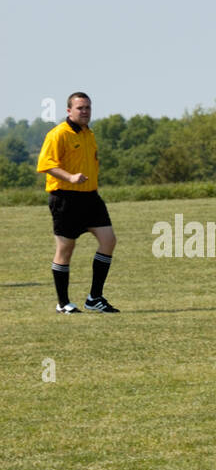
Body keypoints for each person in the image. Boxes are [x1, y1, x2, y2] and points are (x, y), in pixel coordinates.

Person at [37, 92, 118, 313]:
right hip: (65, 197)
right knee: (66, 248)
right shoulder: (58, 134)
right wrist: (70, 177)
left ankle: (94, 297)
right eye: (80, 108)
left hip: (90, 198)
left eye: (88, 108)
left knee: (108, 240)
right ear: (69, 110)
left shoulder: (88, 133)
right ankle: (63, 303)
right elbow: (46, 164)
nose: (85, 112)